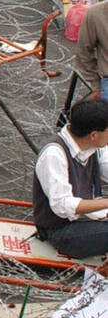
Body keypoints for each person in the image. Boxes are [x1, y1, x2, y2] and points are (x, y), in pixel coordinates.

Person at [33, 98, 108, 258]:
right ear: (94, 134)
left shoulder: (95, 146)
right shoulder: (54, 154)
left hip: (90, 219)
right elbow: (63, 206)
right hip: (62, 231)